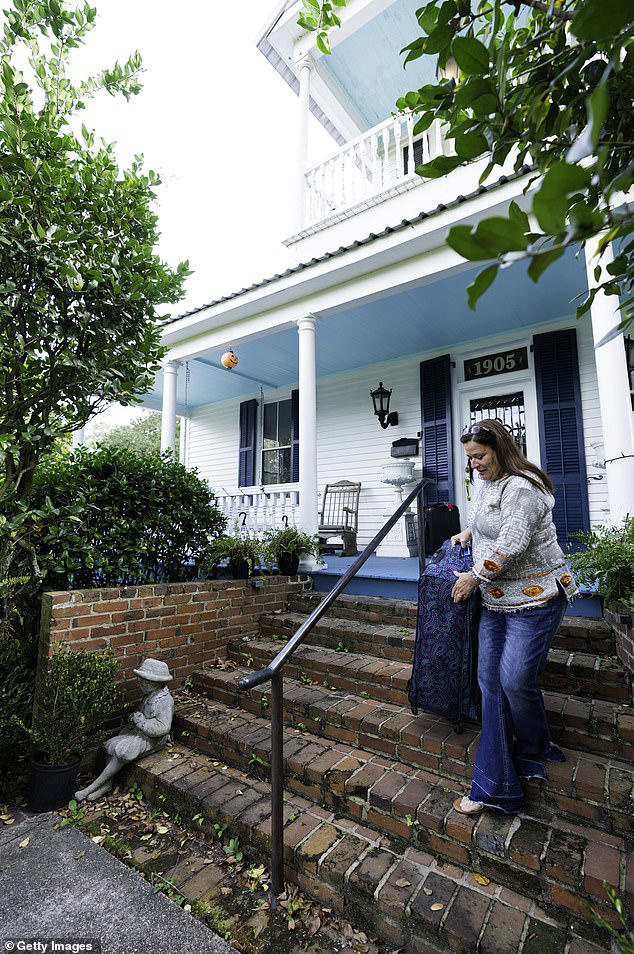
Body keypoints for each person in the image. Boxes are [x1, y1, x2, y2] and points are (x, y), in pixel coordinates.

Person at [448, 419, 578, 815]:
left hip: (538, 599)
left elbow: (513, 542)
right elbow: (485, 517)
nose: (474, 465)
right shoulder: (489, 483)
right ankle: (506, 768)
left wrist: (474, 576)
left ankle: (536, 747)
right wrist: (468, 533)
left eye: (479, 456)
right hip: (497, 599)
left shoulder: (523, 487)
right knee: (489, 682)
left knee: (515, 680)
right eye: (469, 459)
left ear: (500, 449)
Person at [75, 658, 174, 802]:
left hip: (154, 739)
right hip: (140, 733)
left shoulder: (164, 701)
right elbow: (141, 713)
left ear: (156, 682)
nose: (140, 683)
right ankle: (106, 784)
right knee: (110, 745)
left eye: (144, 681)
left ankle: (90, 788)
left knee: (123, 750)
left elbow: (164, 728)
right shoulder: (150, 696)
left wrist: (142, 722)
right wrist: (134, 718)